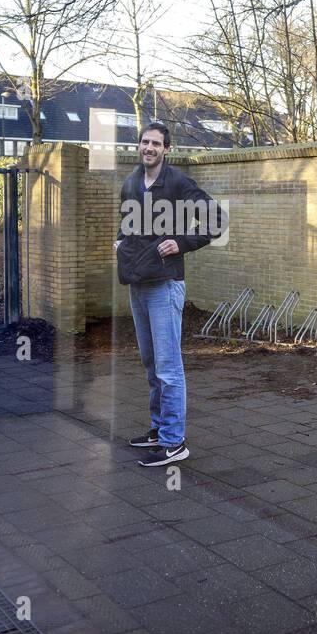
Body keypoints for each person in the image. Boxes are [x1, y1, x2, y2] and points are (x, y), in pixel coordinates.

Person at [114, 122, 226, 466]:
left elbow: (216, 220)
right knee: (151, 364)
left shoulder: (177, 182)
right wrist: (120, 243)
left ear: (167, 149)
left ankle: (174, 442)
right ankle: (159, 429)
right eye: (144, 142)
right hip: (138, 284)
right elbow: (126, 223)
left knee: (168, 367)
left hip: (165, 286)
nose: (149, 148)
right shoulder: (132, 182)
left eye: (156, 143)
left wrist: (180, 243)